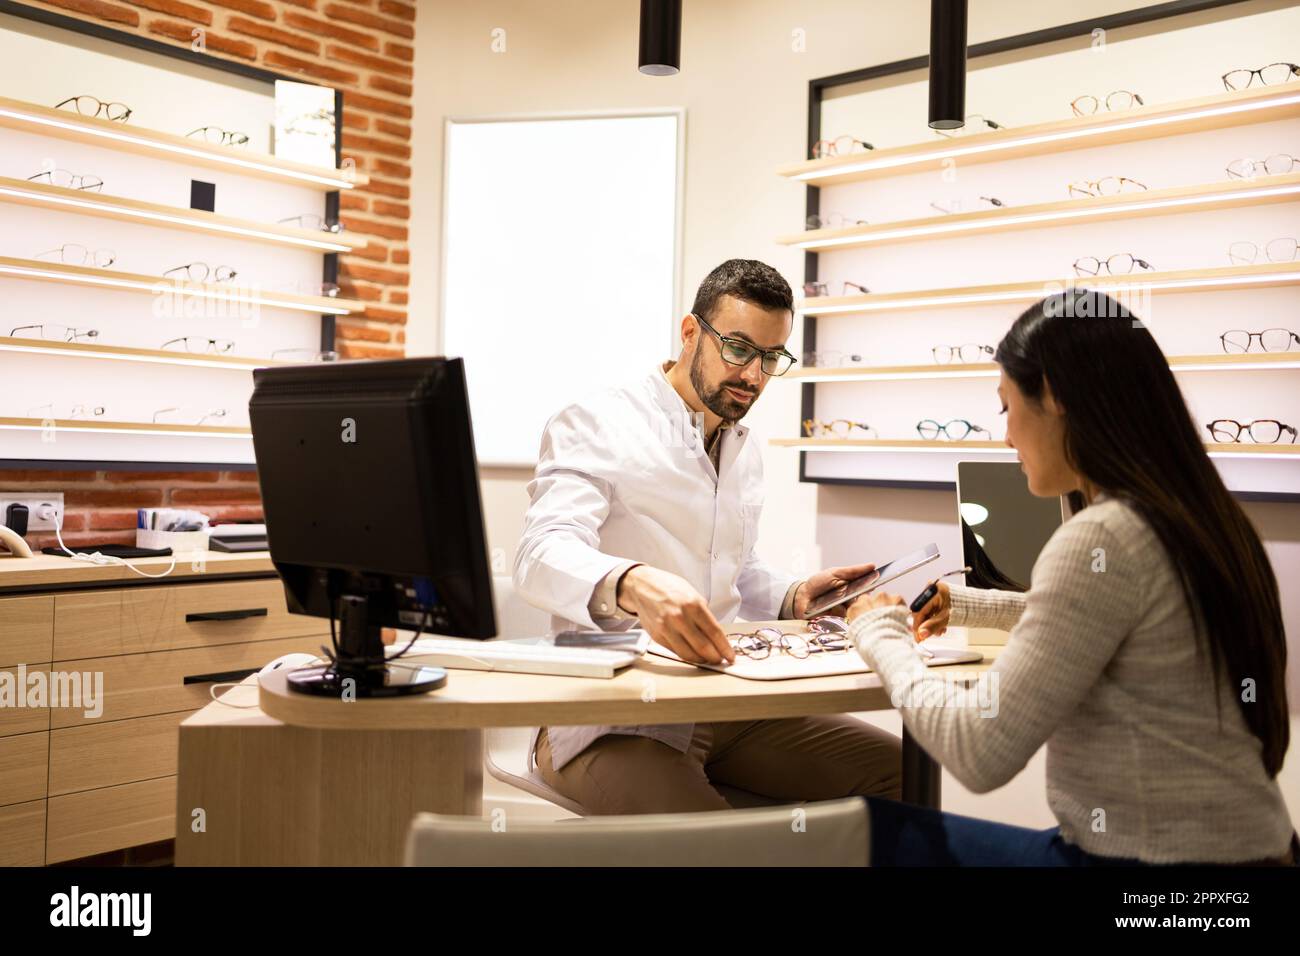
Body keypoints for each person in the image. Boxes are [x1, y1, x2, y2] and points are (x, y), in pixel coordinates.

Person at [845, 288, 1296, 865]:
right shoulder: (1207, 520)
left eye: (1007, 407)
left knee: (862, 832)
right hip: (1258, 860)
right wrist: (976, 605)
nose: (1005, 436)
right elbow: (1106, 624)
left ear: (1054, 396)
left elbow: (977, 750)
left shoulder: (1102, 536)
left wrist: (882, 632)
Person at [513, 258, 902, 813]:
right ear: (691, 332)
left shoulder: (743, 447)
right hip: (610, 718)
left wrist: (794, 596)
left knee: (902, 775)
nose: (752, 376)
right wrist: (632, 582)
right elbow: (539, 552)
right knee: (724, 850)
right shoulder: (598, 421)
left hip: (721, 700)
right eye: (739, 349)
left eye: (771, 358)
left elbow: (729, 567)